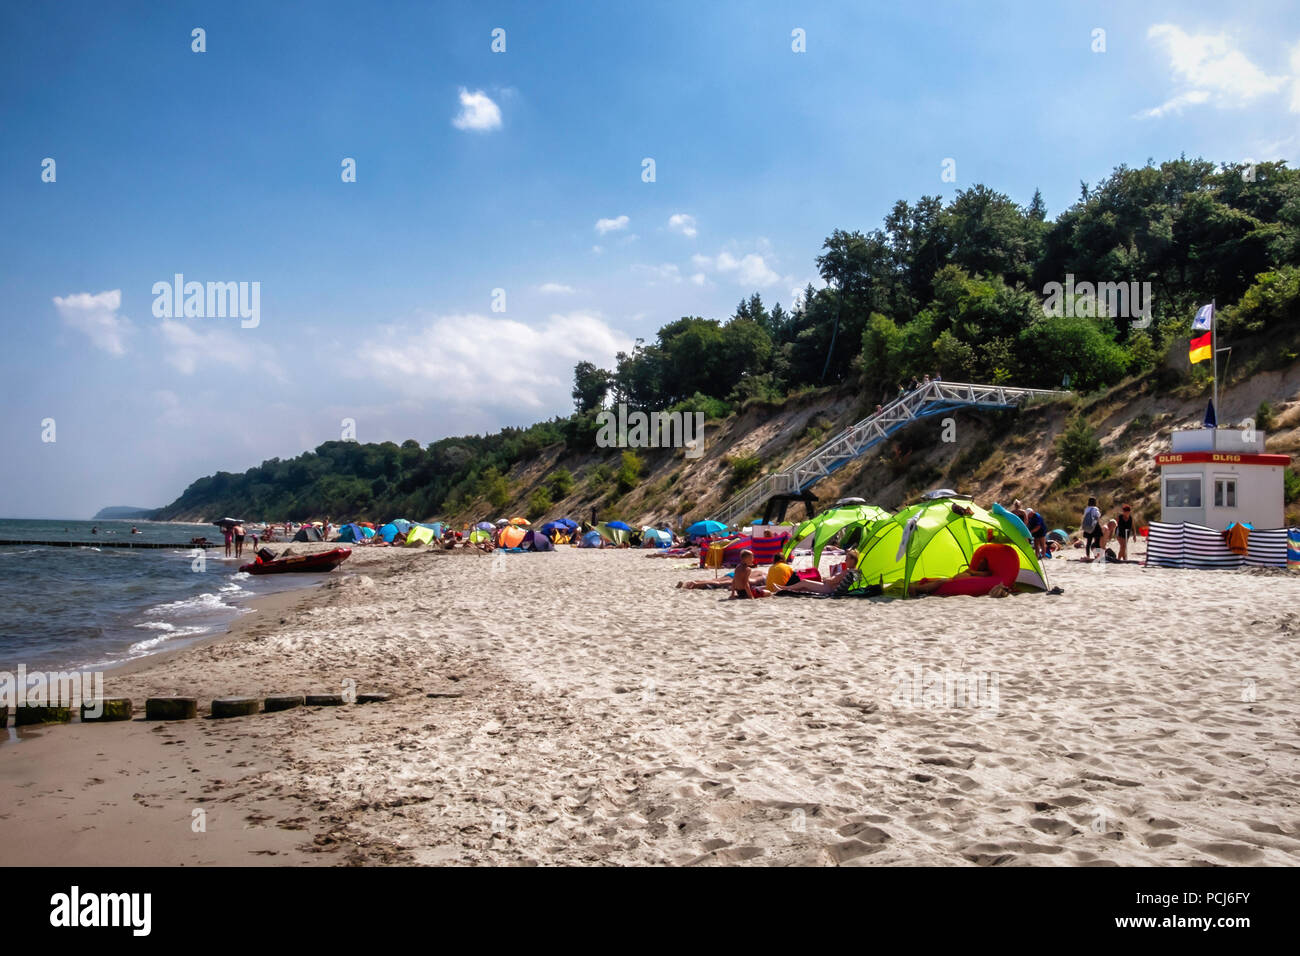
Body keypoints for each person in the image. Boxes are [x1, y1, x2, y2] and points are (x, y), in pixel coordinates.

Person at [779, 550, 862, 596]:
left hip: (828, 588)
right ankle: (785, 589)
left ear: (852, 560)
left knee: (804, 582)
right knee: (804, 588)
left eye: (847, 559)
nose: (845, 561)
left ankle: (784, 588)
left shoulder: (847, 571)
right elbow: (840, 582)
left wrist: (825, 579)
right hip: (830, 587)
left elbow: (832, 581)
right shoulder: (855, 571)